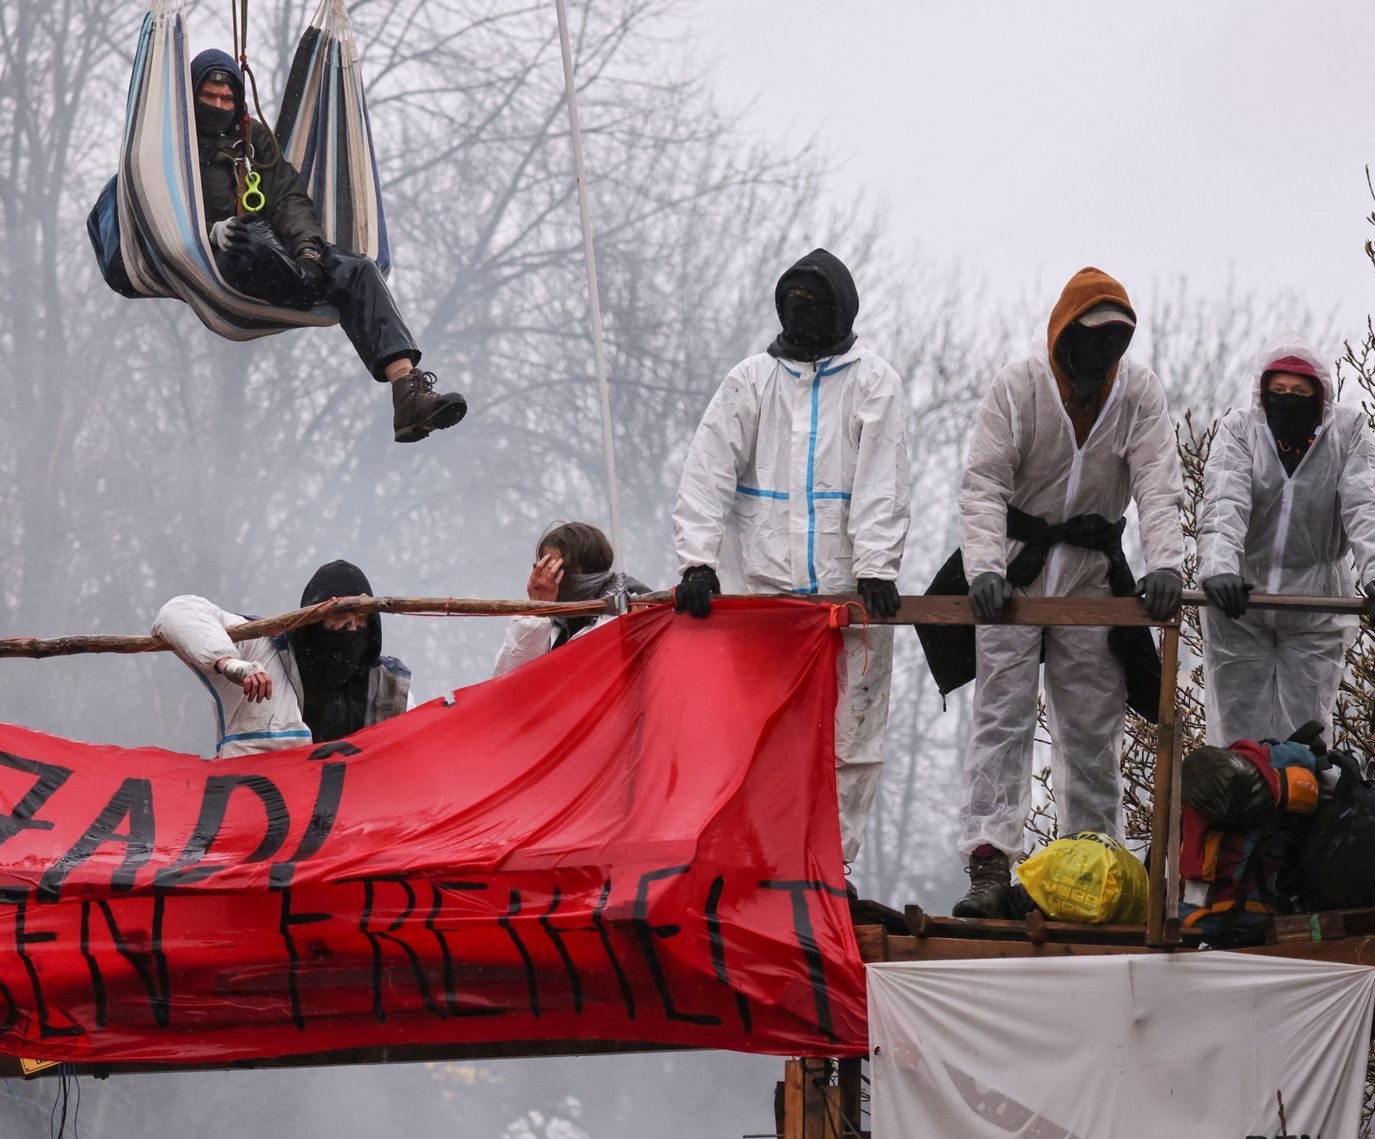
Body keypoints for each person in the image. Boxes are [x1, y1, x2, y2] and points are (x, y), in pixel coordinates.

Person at [954, 267, 1185, 919]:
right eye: (1090, 340)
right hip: (1017, 581)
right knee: (1000, 720)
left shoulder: (1138, 393)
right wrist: (985, 571)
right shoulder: (1019, 388)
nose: (1102, 356)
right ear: (1062, 338)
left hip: (1090, 583)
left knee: (1091, 730)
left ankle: (1088, 873)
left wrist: (1165, 565)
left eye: (1116, 342)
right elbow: (983, 485)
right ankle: (989, 864)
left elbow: (1159, 485)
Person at [671, 247, 911, 869]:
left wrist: (878, 567)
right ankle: (761, 862)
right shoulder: (751, 381)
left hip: (846, 598)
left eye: (814, 301)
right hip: (762, 597)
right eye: (792, 300)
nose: (800, 311)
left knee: (850, 739)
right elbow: (707, 472)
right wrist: (697, 561)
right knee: (757, 733)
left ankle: (832, 869)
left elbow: (883, 480)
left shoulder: (872, 381)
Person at [189, 50, 465, 444]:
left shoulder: (252, 140)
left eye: (226, 99)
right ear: (193, 97)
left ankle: (407, 393)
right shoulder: (175, 144)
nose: (218, 106)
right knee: (251, 236)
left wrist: (309, 253)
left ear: (238, 102)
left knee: (359, 268)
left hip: (286, 263)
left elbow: (288, 199)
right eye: (209, 98)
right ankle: (297, 273)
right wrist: (209, 233)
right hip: (227, 261)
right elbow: (163, 210)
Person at [1196, 337, 1375, 747]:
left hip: (1316, 605)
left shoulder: (1346, 434)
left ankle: (1299, 806)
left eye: (1300, 393)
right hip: (1241, 601)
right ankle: (1240, 809)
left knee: (1306, 736)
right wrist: (1219, 568)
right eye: (1278, 393)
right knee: (1238, 740)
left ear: (1320, 396)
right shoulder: (1240, 432)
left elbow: (1366, 503)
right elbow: (1224, 501)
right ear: (1263, 394)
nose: (1288, 401)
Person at [152, 559, 411, 756]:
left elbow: (417, 756)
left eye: (360, 620)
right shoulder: (258, 650)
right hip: (252, 820)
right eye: (340, 619)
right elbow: (178, 611)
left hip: (355, 824)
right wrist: (228, 662)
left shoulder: (389, 688)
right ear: (314, 621)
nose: (351, 630)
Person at [493, 522, 652, 677]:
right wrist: (536, 612)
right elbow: (509, 682)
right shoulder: (553, 625)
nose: (546, 580)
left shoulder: (631, 614)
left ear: (583, 572)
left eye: (556, 571)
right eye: (544, 569)